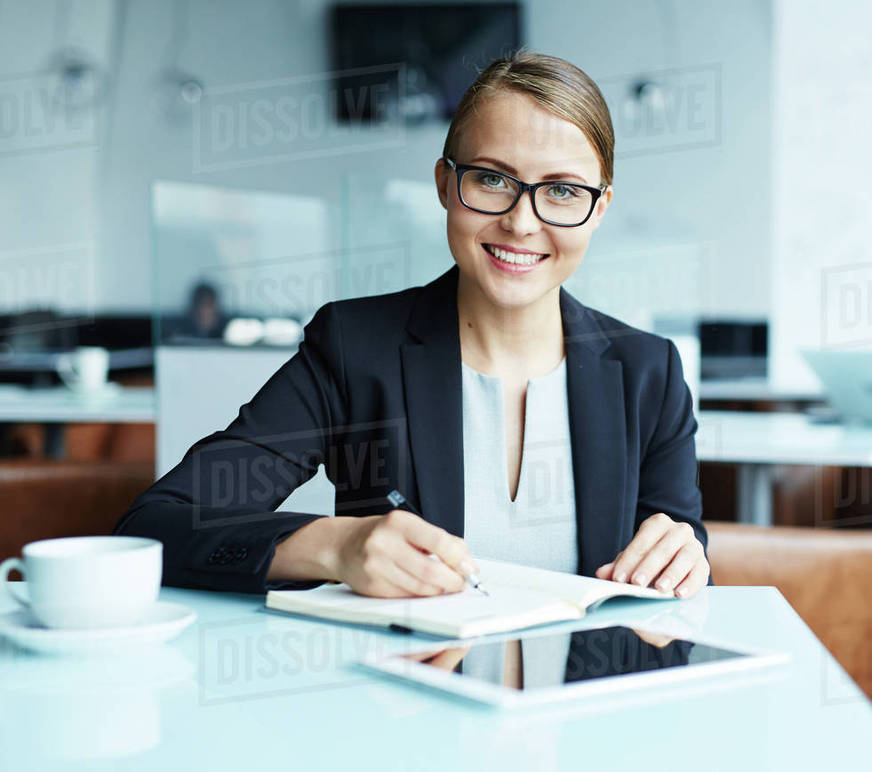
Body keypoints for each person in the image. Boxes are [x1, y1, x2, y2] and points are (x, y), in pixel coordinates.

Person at [115, 51, 711, 601]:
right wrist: (334, 547)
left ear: (598, 208)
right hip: (402, 706)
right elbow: (160, 523)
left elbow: (676, 566)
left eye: (561, 191)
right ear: (446, 185)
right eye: (492, 179)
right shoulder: (355, 347)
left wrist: (685, 557)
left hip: (586, 709)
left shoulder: (648, 374)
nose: (522, 223)